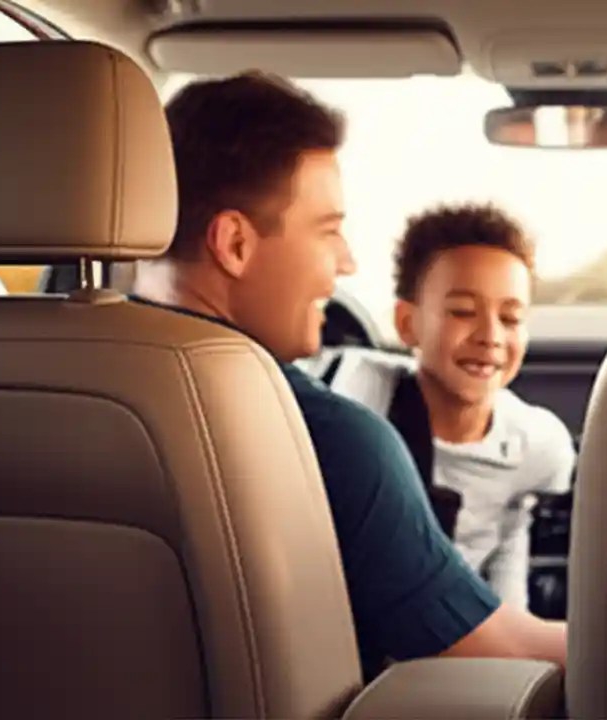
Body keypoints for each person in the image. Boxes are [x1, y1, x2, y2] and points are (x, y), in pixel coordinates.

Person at [131, 71, 565, 681]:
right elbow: (504, 658)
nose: (348, 260)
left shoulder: (15, 379)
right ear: (233, 243)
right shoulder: (325, 439)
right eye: (328, 230)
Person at [324, 203, 575, 609]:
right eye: (462, 312)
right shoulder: (357, 399)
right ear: (407, 324)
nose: (490, 335)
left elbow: (509, 555)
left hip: (458, 631)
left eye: (511, 318)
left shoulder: (538, 445)